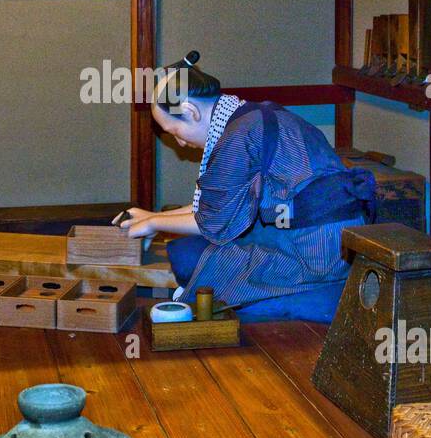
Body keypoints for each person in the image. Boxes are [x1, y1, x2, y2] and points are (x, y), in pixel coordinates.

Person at [119, 51, 376, 322]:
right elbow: (218, 208)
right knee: (189, 253)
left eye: (174, 132)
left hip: (315, 250)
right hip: (336, 238)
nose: (180, 143)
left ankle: (310, 299)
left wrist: (155, 223)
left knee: (188, 258)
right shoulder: (252, 115)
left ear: (190, 112)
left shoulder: (238, 137)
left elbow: (214, 222)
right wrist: (151, 217)